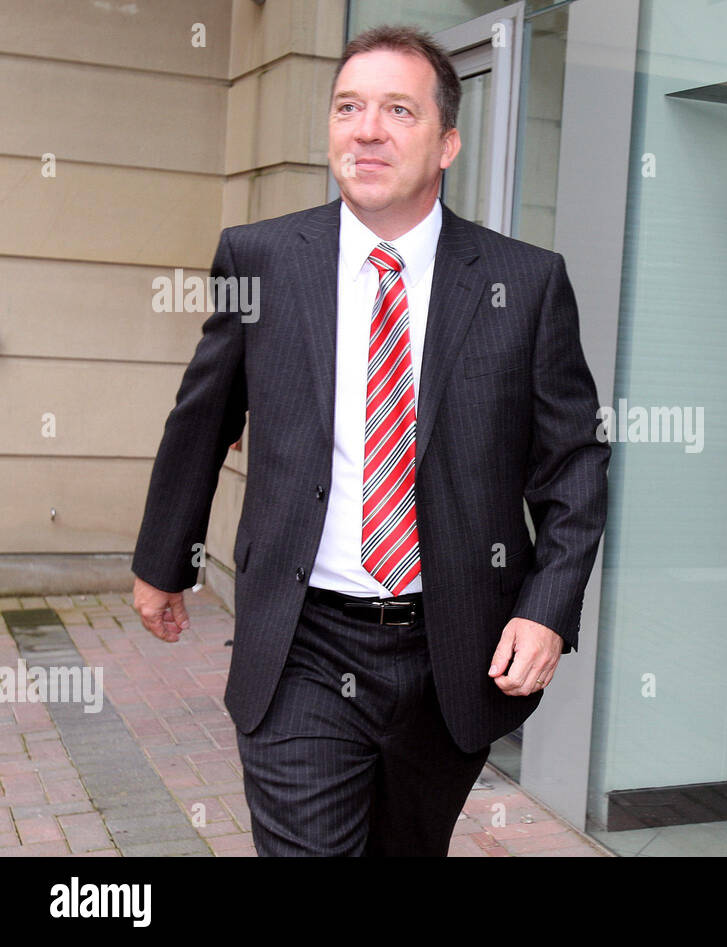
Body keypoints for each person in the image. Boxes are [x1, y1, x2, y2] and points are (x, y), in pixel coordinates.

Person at [129, 24, 609, 855]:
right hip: (301, 643)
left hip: (451, 651)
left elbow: (573, 463)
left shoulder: (524, 284)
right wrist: (164, 559)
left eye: (397, 109)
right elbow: (203, 417)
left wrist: (548, 608)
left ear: (448, 141)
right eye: (348, 107)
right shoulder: (262, 258)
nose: (366, 129)